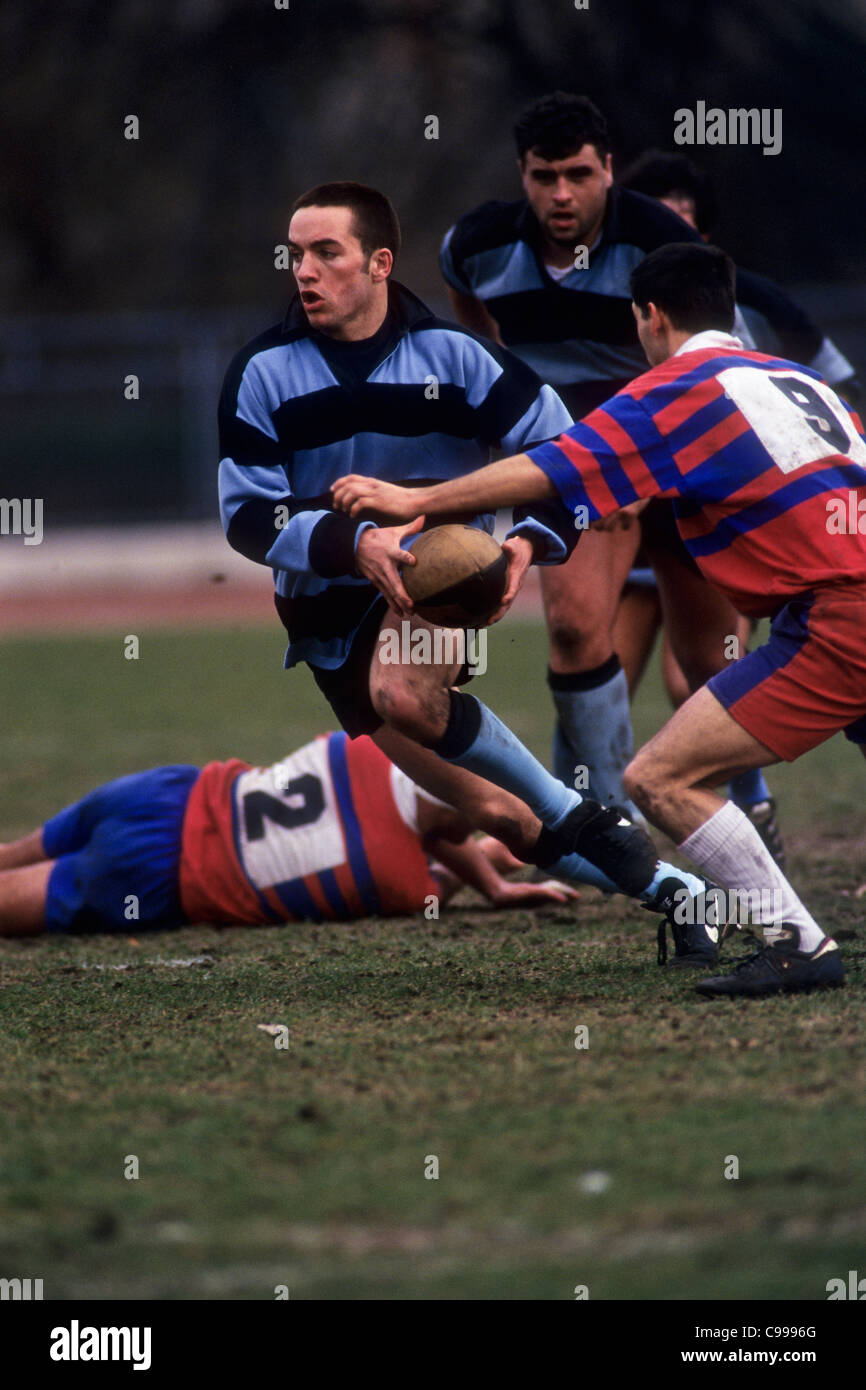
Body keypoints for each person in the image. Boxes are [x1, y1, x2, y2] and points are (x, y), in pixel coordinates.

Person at [332, 241, 866, 997]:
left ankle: (797, 944)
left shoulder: (682, 386)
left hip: (840, 620)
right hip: (845, 598)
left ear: (649, 318)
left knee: (660, 778)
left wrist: (414, 500)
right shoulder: (796, 379)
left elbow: (554, 464)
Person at [218, 180, 709, 923]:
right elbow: (249, 514)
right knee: (507, 821)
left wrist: (526, 542)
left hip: (439, 575)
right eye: (296, 255)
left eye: (327, 252)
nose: (305, 271)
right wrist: (355, 544)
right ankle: (680, 895)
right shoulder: (261, 374)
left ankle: (580, 810)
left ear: (380, 263)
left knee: (404, 692)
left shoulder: (459, 359)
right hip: (325, 621)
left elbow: (563, 453)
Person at [440, 92, 753, 813]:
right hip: (571, 452)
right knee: (574, 626)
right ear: (521, 174)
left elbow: (708, 366)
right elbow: (467, 305)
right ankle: (613, 828)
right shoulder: (475, 245)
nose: (561, 193)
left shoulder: (663, 244)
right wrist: (506, 374)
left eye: (578, 174)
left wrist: (642, 464)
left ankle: (752, 803)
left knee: (708, 657)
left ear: (609, 169)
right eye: (544, 175)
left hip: (675, 445)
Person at [0, 731, 582, 938]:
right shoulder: (405, 883)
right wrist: (493, 868)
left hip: (169, 792)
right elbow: (438, 848)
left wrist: (490, 878)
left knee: (9, 855)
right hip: (162, 873)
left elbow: (429, 824)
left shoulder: (365, 747)